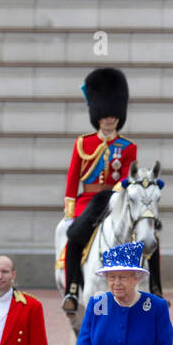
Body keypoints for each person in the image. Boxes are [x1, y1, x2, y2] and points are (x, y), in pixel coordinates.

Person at [62, 68, 137, 315]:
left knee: (149, 239)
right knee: (74, 238)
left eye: (113, 114)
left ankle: (156, 287)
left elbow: (126, 177)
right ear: (97, 115)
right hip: (87, 201)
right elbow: (73, 178)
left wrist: (116, 195)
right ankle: (72, 289)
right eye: (105, 114)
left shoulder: (127, 146)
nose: (109, 118)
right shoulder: (84, 143)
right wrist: (70, 211)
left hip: (115, 200)